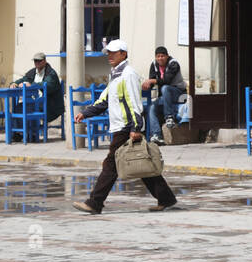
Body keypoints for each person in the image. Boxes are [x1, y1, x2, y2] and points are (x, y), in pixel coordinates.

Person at [72, 39, 178, 214]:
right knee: (141, 161)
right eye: (109, 52)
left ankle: (94, 202)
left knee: (111, 165)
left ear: (124, 54)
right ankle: (166, 198)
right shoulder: (115, 74)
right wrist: (86, 112)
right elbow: (105, 100)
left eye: (114, 52)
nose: (110, 56)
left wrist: (135, 128)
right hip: (120, 125)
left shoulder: (128, 74)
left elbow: (134, 102)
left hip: (126, 126)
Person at [8, 52, 64, 140]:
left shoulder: (51, 73)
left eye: (39, 61)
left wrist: (31, 84)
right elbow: (23, 79)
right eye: (35, 61)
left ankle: (33, 134)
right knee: (18, 107)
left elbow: (47, 86)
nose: (37, 63)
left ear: (44, 61)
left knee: (30, 108)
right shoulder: (33, 72)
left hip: (51, 103)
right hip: (36, 101)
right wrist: (14, 83)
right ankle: (18, 133)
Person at [142, 46, 186, 143]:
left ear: (167, 56)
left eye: (162, 56)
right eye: (158, 56)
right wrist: (146, 85)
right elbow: (152, 80)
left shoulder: (173, 64)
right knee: (151, 107)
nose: (160, 58)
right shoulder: (154, 65)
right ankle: (156, 135)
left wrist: (152, 80)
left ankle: (169, 117)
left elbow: (166, 80)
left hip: (178, 93)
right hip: (164, 96)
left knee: (165, 88)